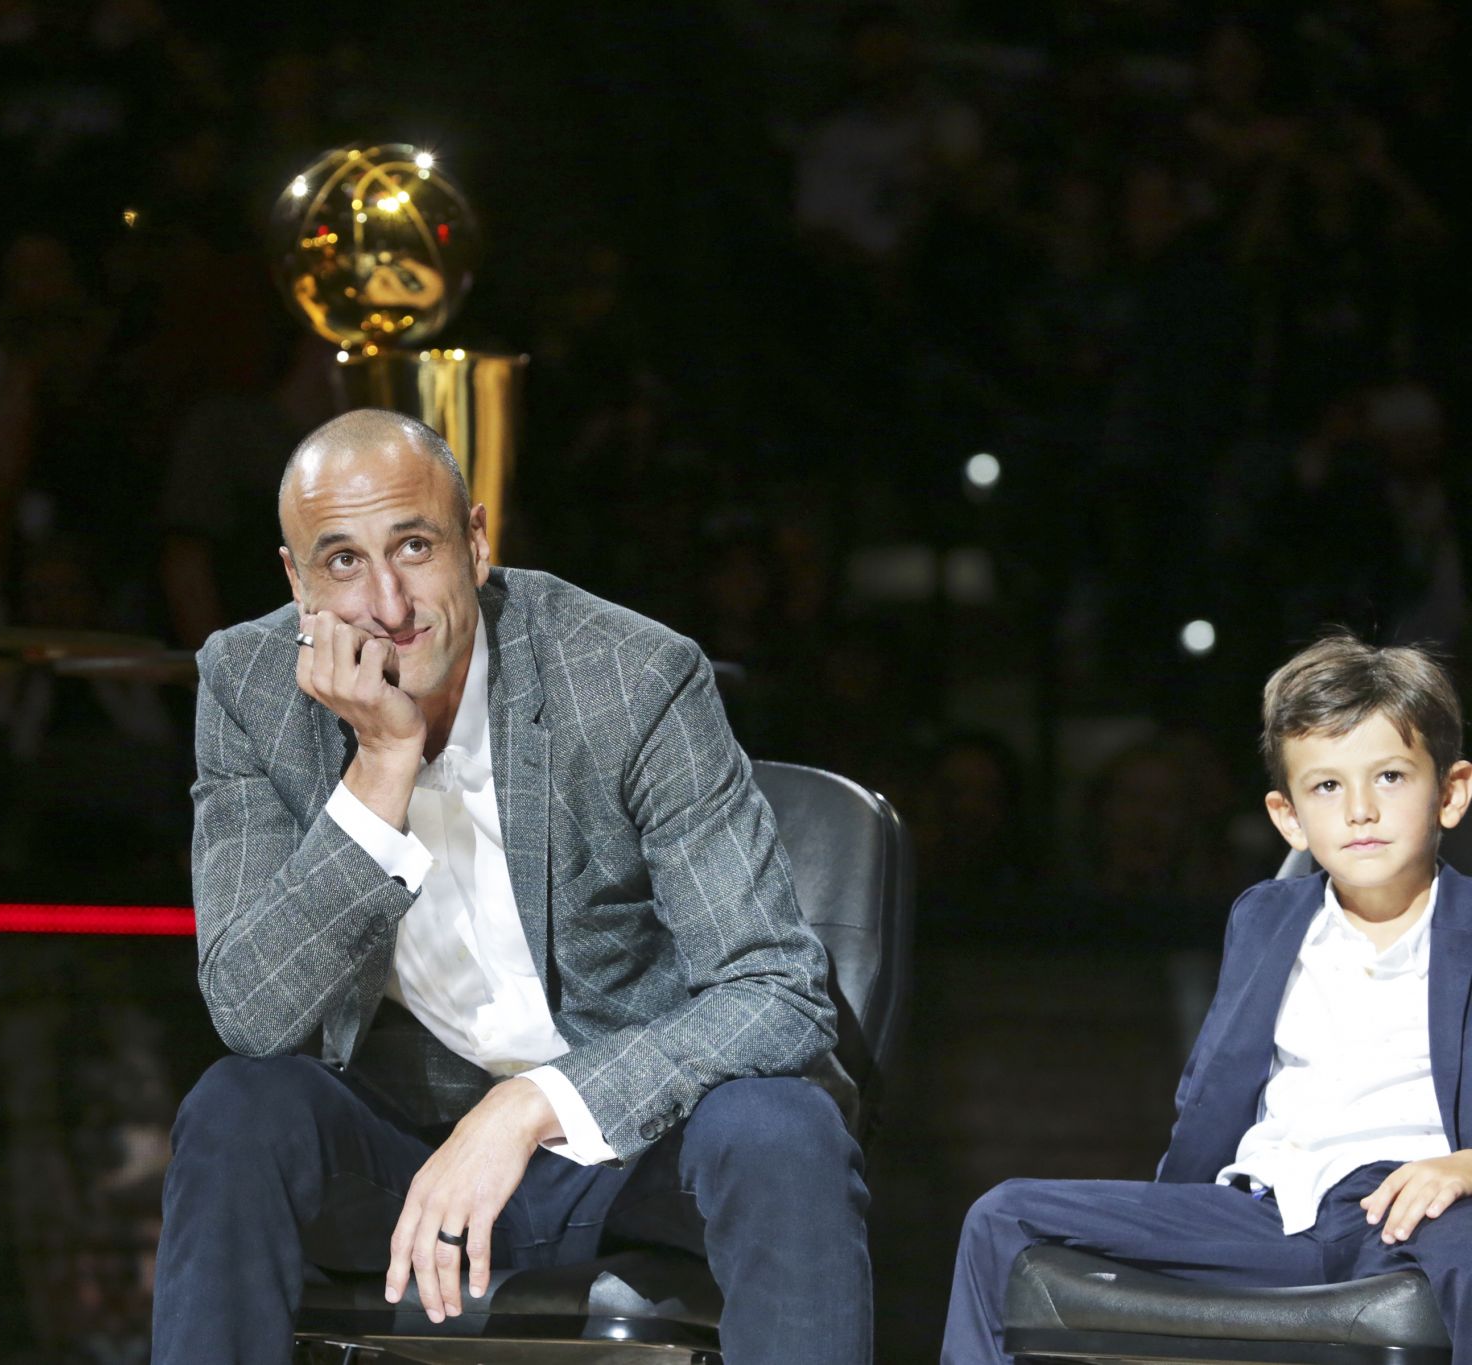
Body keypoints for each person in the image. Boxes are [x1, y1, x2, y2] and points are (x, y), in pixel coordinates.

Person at [153, 409, 868, 1364]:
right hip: (403, 1157)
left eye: (414, 544)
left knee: (784, 1126)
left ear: (477, 544)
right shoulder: (249, 685)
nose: (388, 601)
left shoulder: (629, 677)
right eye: (342, 563)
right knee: (238, 1106)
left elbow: (777, 989)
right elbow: (252, 1011)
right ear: (296, 583)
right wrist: (380, 764)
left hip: (626, 1151)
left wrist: (531, 1105)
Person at [944, 633, 1472, 1364]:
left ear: (1450, 793)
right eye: (1326, 786)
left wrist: (1467, 1166)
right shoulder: (1265, 918)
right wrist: (1169, 1210)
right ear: (1288, 817)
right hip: (1261, 1209)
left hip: (1400, 1212)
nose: (1359, 810)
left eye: (1388, 776)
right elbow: (1211, 1088)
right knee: (1001, 1216)